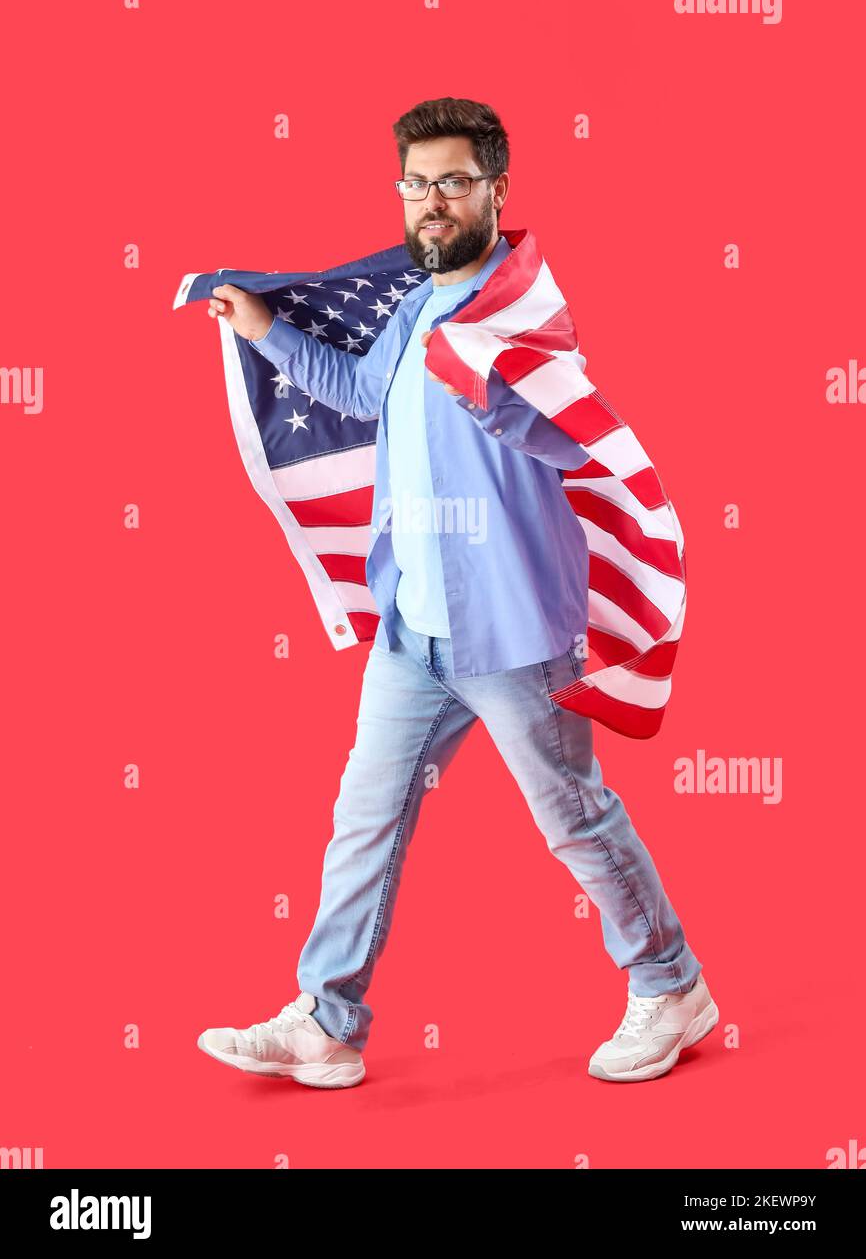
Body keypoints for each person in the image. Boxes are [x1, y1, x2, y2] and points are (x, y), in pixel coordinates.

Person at [196, 97, 717, 1089]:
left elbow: (570, 433)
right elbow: (358, 395)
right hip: (413, 628)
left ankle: (671, 984)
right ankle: (327, 1020)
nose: (430, 202)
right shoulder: (413, 305)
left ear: (494, 189)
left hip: (513, 628)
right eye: (414, 183)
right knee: (366, 812)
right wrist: (261, 326)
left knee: (572, 814)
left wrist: (487, 387)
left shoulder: (520, 312)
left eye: (451, 182)